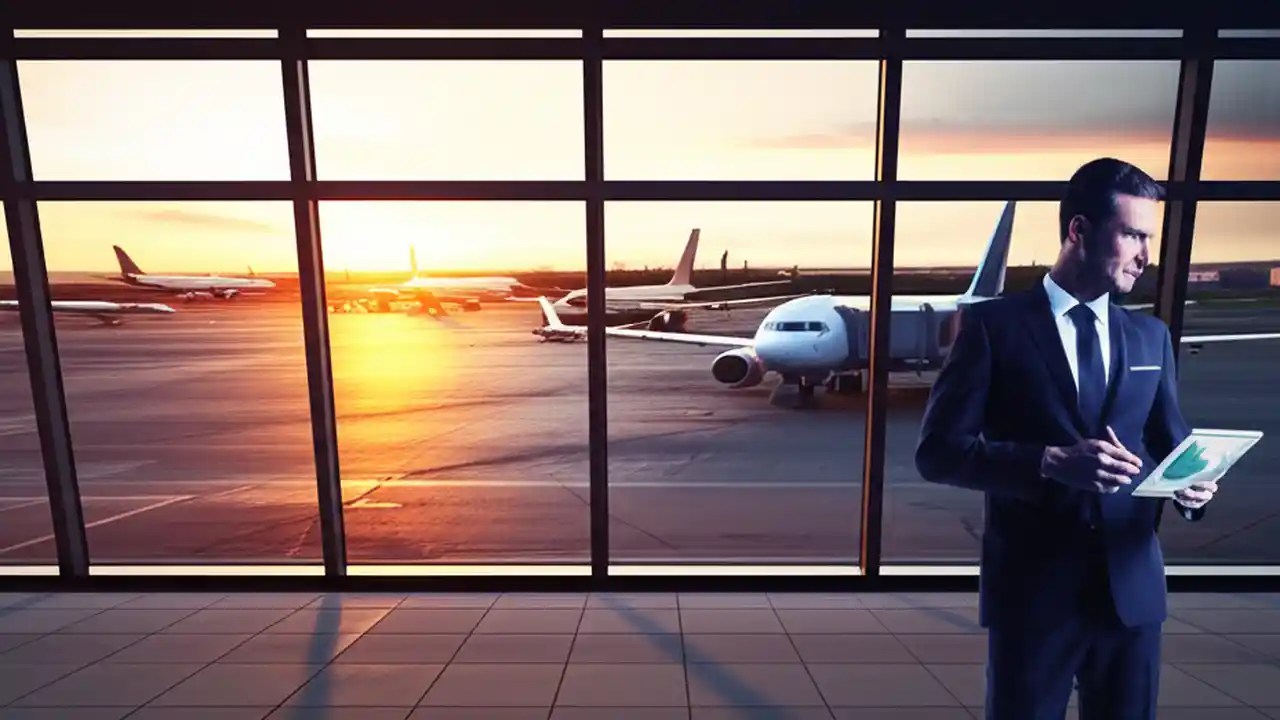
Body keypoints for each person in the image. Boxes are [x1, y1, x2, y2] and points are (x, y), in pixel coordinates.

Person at [915, 157, 1220, 719]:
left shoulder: (1151, 337)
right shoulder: (994, 328)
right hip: (1033, 597)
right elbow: (937, 453)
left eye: (1148, 238)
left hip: (1131, 597)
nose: (1145, 256)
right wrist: (1048, 462)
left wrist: (1193, 487)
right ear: (1078, 231)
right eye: (1132, 235)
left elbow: (1174, 447)